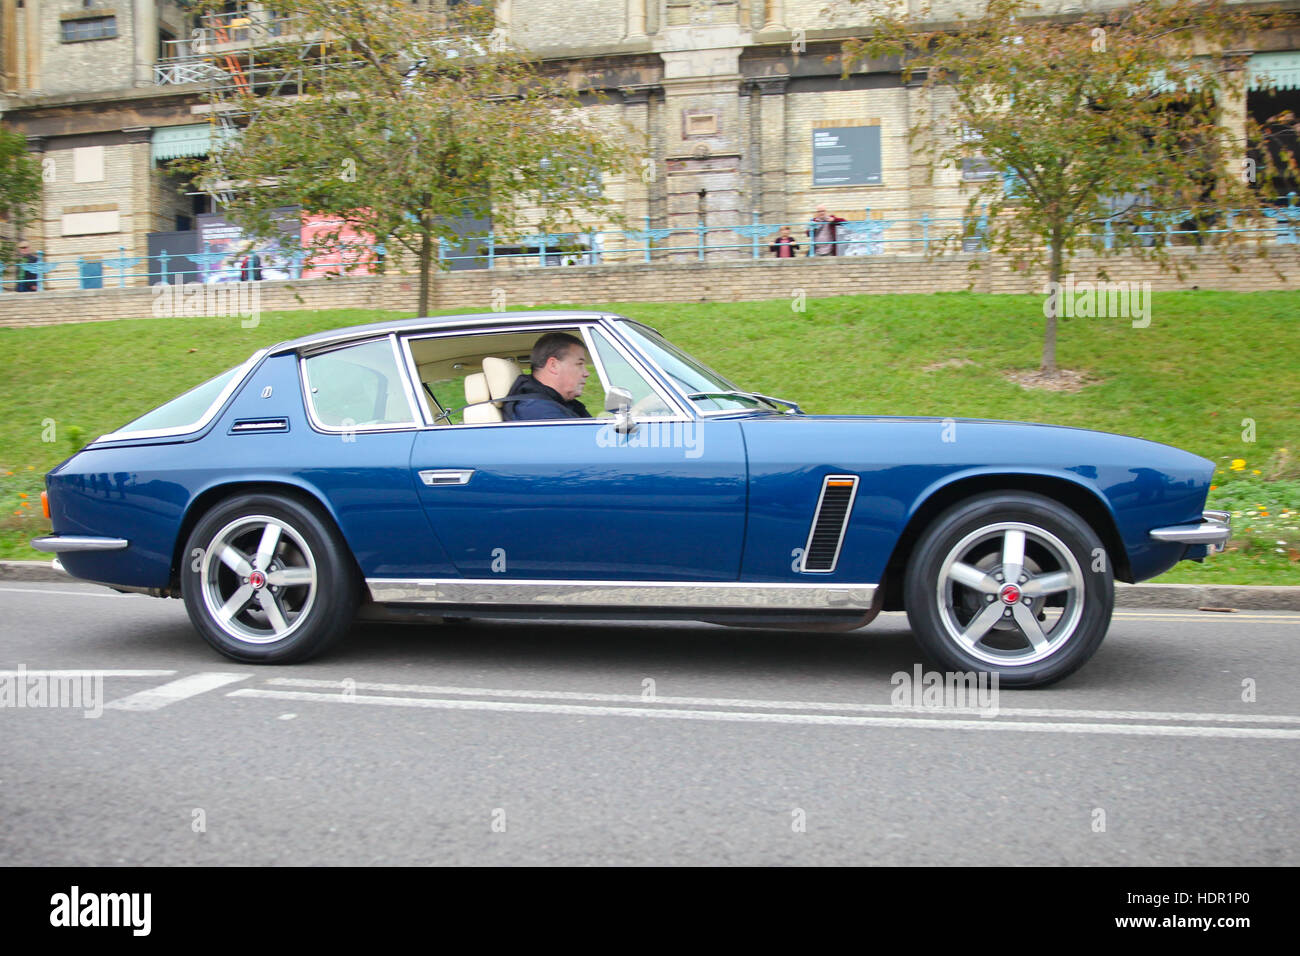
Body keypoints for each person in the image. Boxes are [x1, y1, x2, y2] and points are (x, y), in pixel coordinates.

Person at [502, 332, 593, 422]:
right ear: (553, 365)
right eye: (579, 364)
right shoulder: (538, 412)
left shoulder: (560, 404)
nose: (586, 373)